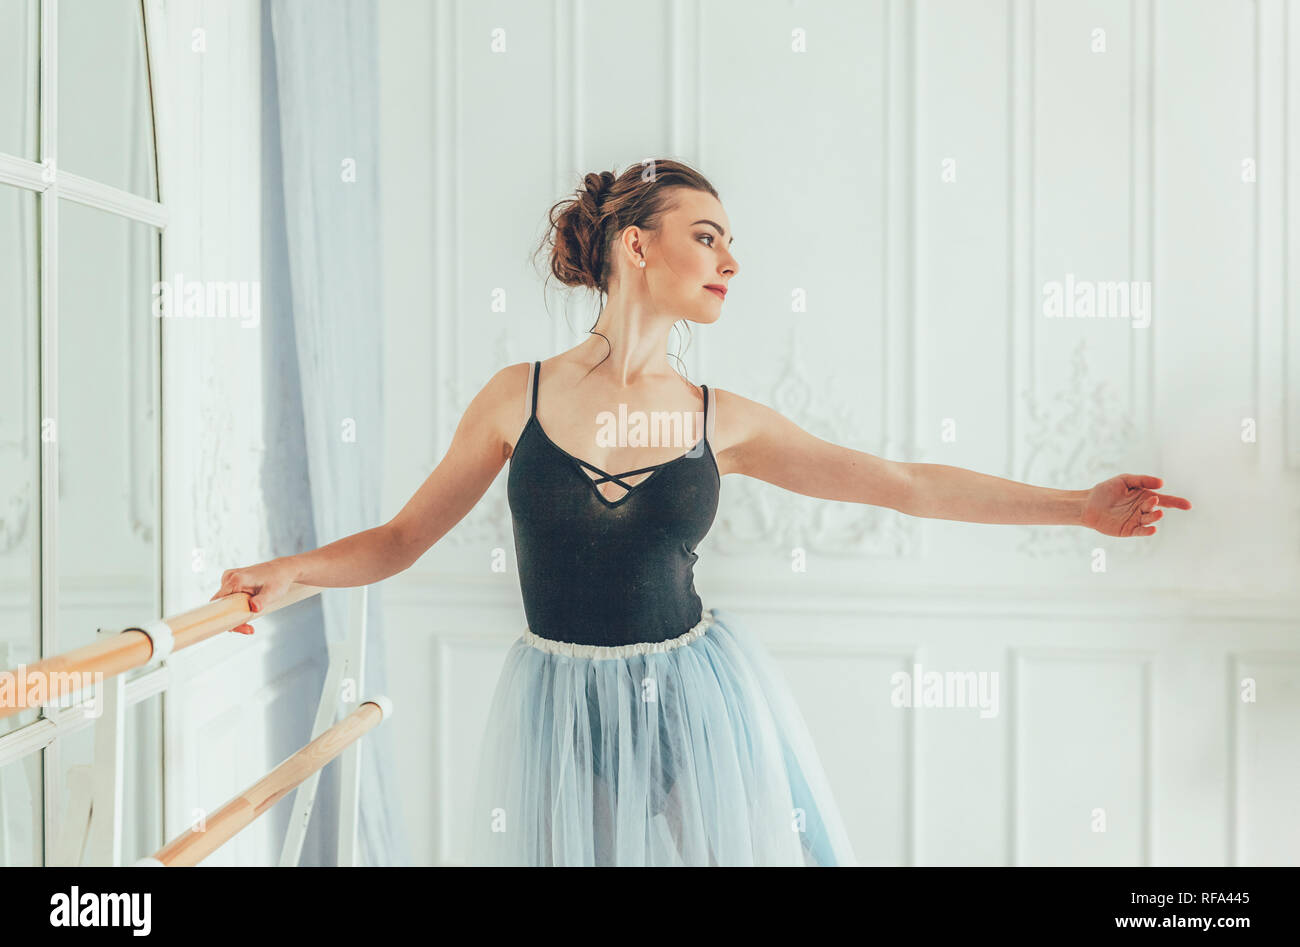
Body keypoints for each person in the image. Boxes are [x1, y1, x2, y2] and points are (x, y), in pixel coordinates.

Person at [210, 158, 1192, 866]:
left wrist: (1076, 506)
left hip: (694, 697)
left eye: (729, 243)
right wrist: (292, 568)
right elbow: (399, 537)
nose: (729, 260)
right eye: (708, 236)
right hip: (560, 706)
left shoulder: (725, 420)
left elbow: (901, 482)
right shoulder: (518, 395)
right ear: (636, 246)